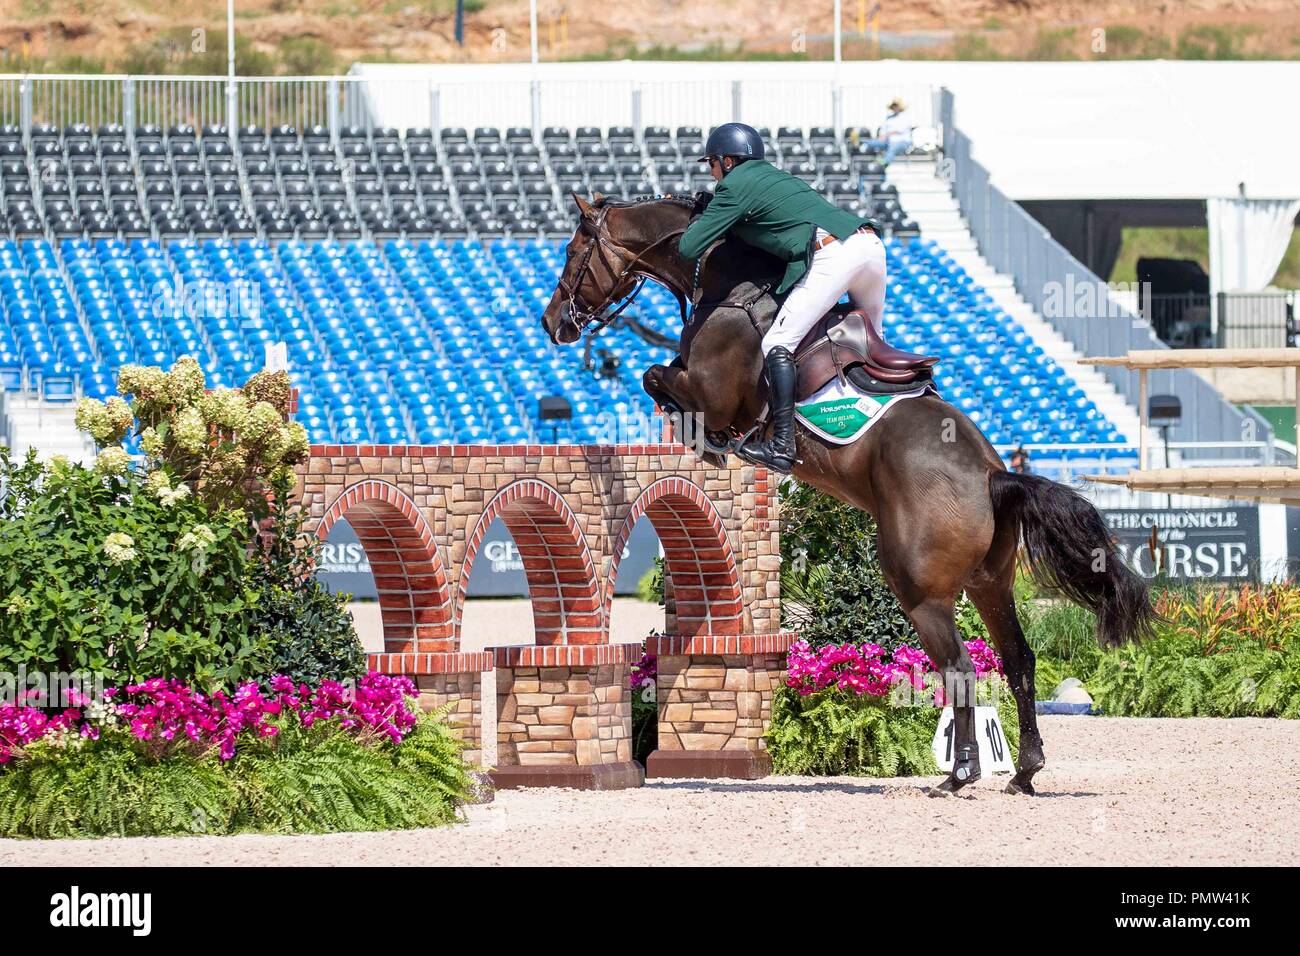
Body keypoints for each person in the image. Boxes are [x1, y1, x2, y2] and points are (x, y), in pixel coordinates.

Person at [678, 121, 885, 474]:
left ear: (728, 161)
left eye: (711, 163)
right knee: (873, 346)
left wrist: (708, 214)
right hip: (869, 246)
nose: (712, 173)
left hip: (834, 254)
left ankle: (782, 446)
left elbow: (688, 247)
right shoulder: (774, 177)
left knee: (778, 342)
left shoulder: (733, 186)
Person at [865, 98, 913, 165]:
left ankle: (884, 162)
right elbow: (883, 129)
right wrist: (881, 136)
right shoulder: (889, 118)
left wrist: (886, 135)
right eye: (894, 106)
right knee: (870, 143)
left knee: (893, 148)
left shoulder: (905, 117)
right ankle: (867, 161)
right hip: (888, 141)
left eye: (896, 106)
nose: (895, 107)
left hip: (902, 142)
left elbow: (899, 130)